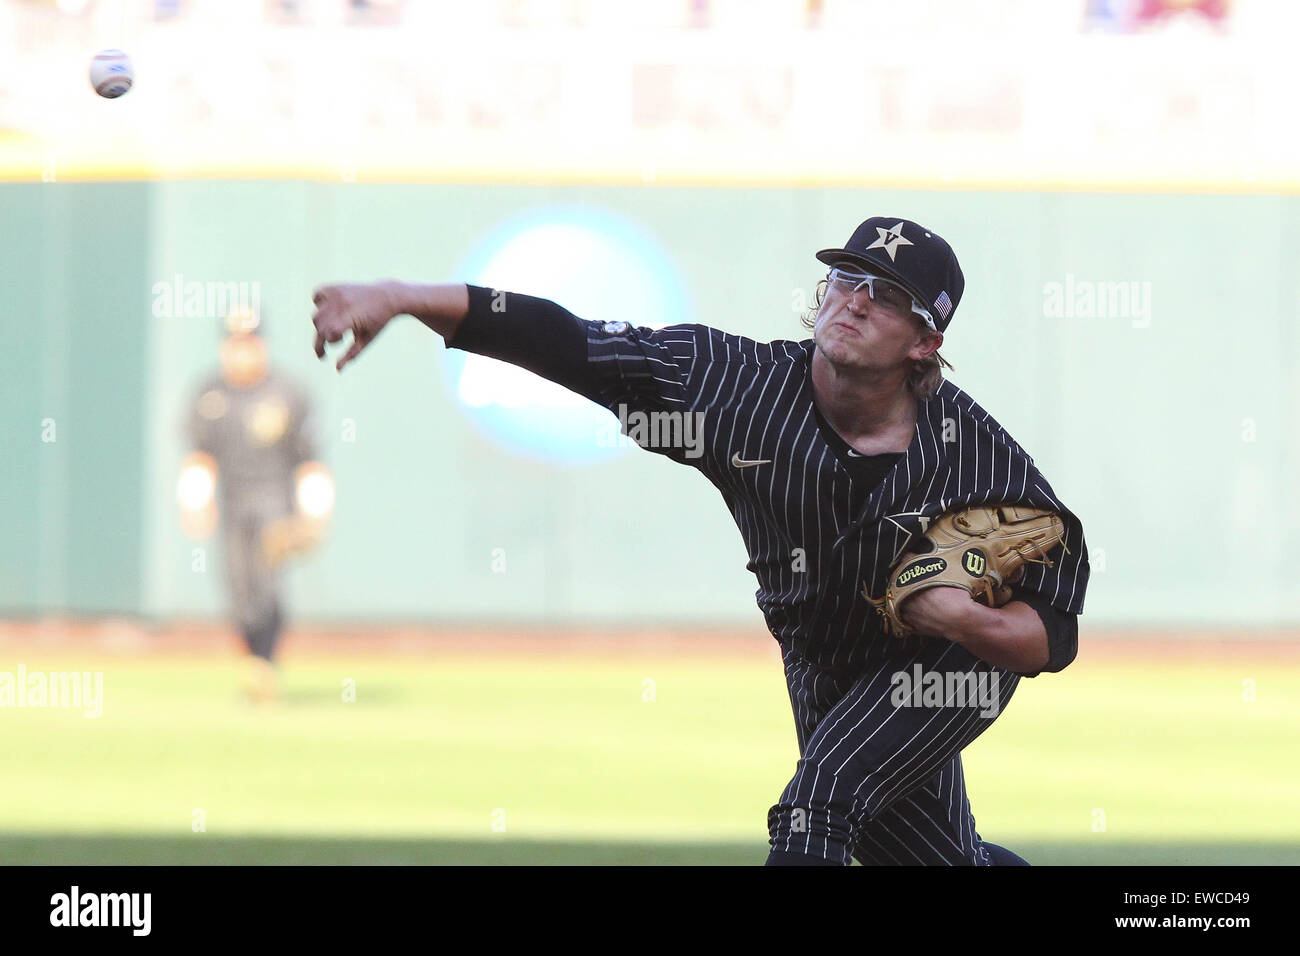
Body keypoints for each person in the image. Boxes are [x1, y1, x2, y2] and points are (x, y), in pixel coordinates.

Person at [308, 217, 1089, 864]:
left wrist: (966, 621)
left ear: (927, 341)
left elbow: (1052, 635)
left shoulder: (978, 458)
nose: (853, 301)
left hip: (944, 663)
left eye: (886, 296)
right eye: (847, 279)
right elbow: (569, 344)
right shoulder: (736, 386)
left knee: (819, 806)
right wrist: (403, 297)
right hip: (820, 654)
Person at [179, 307, 333, 702]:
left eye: (250, 343)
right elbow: (199, 457)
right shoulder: (209, 394)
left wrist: (314, 511)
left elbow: (309, 460)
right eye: (235, 344)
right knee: (237, 586)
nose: (242, 352)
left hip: (274, 502)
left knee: (266, 586)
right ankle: (255, 662)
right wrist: (195, 503)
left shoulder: (285, 392)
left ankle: (264, 663)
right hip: (233, 502)